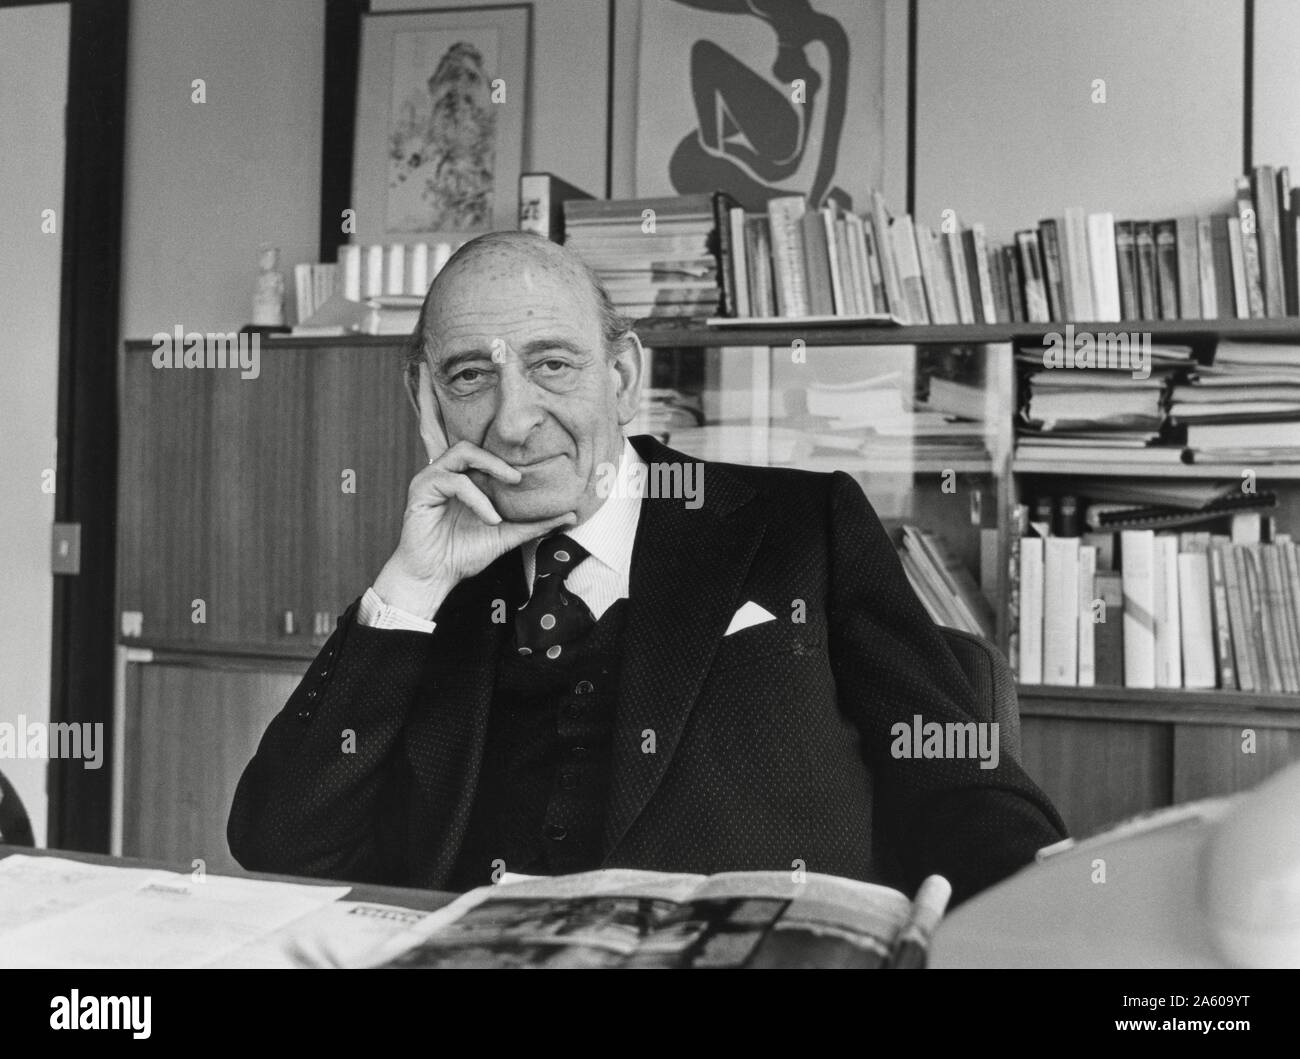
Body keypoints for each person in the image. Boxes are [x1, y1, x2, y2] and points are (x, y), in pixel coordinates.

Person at [228, 231, 1065, 904]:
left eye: (552, 364)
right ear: (427, 403)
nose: (515, 420)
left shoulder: (802, 524)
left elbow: (967, 789)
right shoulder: (426, 594)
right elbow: (281, 842)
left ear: (623, 376)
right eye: (471, 375)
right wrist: (408, 588)